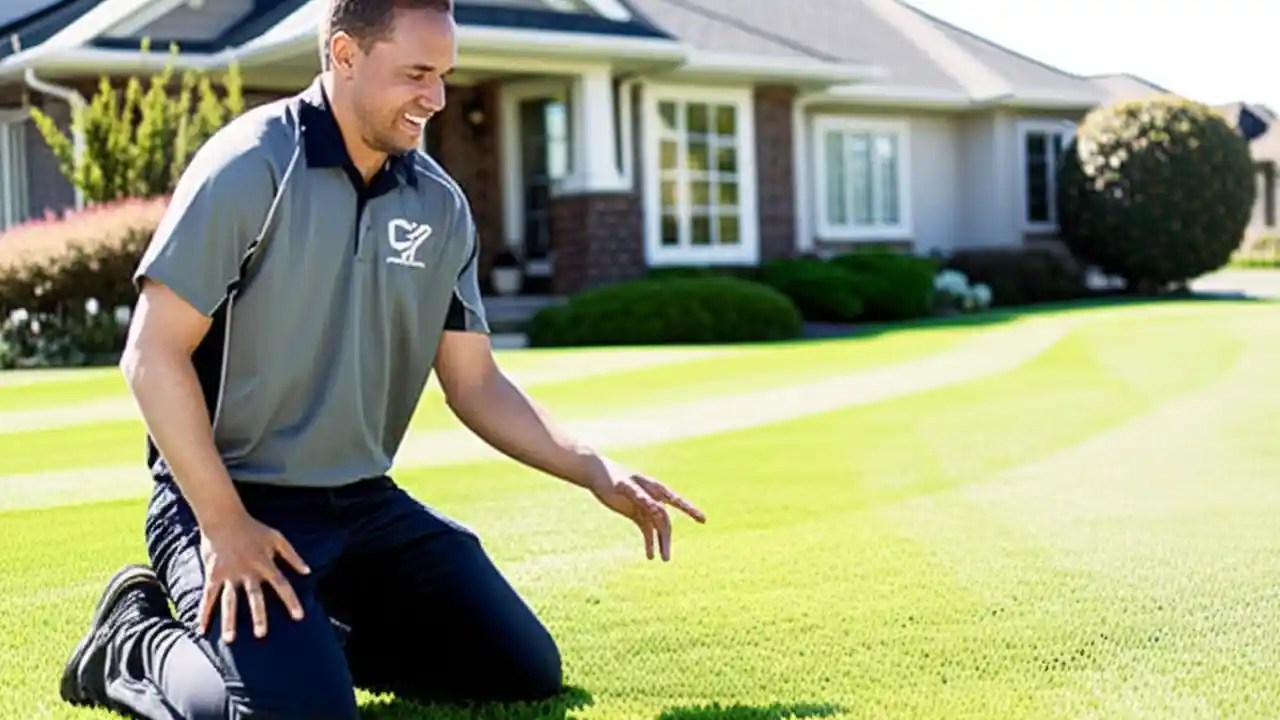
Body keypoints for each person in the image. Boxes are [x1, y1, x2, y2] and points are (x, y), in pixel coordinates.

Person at [56, 1, 706, 717]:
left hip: (364, 507)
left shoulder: (440, 206)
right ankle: (132, 641)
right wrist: (224, 525)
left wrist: (593, 467)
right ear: (343, 55)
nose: (436, 99)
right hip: (229, 499)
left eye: (445, 76)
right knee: (293, 714)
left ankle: (307, 639)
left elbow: (475, 383)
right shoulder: (251, 166)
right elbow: (151, 354)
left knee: (519, 669)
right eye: (417, 74)